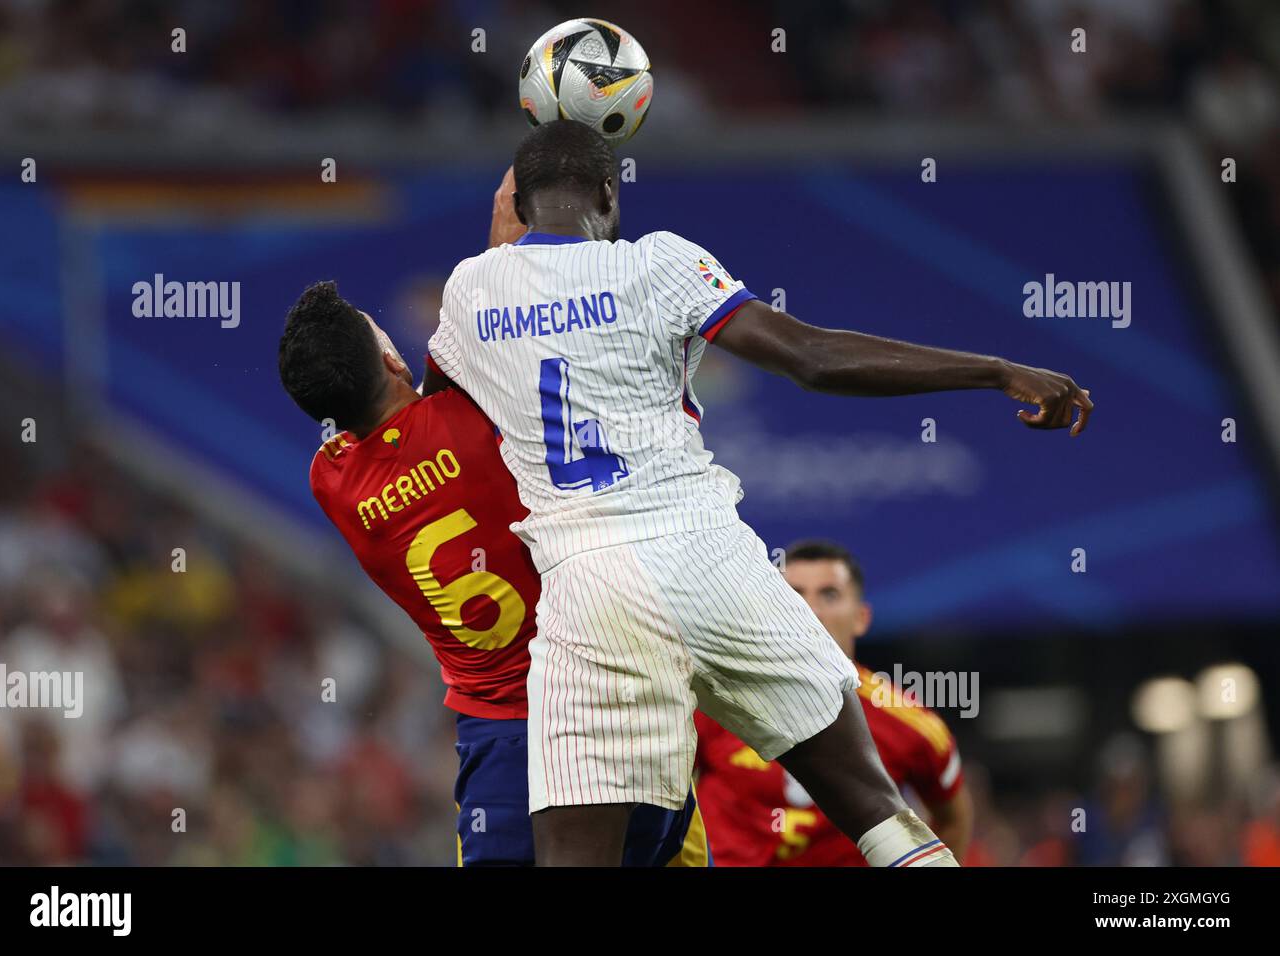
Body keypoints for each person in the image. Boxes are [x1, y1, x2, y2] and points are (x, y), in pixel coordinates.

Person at [424, 119, 1091, 866]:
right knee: (874, 808)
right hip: (707, 555)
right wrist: (996, 369)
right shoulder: (659, 261)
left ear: (517, 202)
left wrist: (498, 253)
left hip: (587, 588)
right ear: (610, 195)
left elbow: (445, 414)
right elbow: (811, 357)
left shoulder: (469, 290)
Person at [277, 280, 708, 866]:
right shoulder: (474, 411)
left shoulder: (332, 484)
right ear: (391, 358)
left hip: (502, 743)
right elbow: (497, 294)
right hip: (614, 701)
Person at [695, 541, 972, 866]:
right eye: (794, 594)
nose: (809, 610)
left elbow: (953, 819)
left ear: (861, 618)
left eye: (829, 595)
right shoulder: (715, 696)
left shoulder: (911, 724)